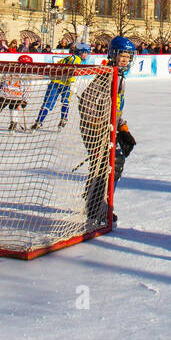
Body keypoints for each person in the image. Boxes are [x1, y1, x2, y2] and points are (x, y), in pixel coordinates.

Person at [81, 35, 138, 224]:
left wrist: (122, 127)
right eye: (122, 56)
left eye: (128, 57)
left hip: (109, 127)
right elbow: (86, 100)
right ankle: (97, 207)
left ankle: (96, 203)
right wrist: (98, 123)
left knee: (114, 163)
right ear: (113, 55)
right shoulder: (106, 75)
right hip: (96, 128)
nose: (125, 60)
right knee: (105, 164)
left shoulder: (120, 77)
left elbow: (116, 106)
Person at [30, 43, 91, 129]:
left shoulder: (71, 57)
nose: (87, 55)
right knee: (64, 101)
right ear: (81, 52)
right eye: (86, 53)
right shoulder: (76, 59)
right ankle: (63, 119)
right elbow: (71, 70)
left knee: (49, 103)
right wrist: (72, 83)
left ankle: (39, 121)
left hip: (56, 82)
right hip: (63, 84)